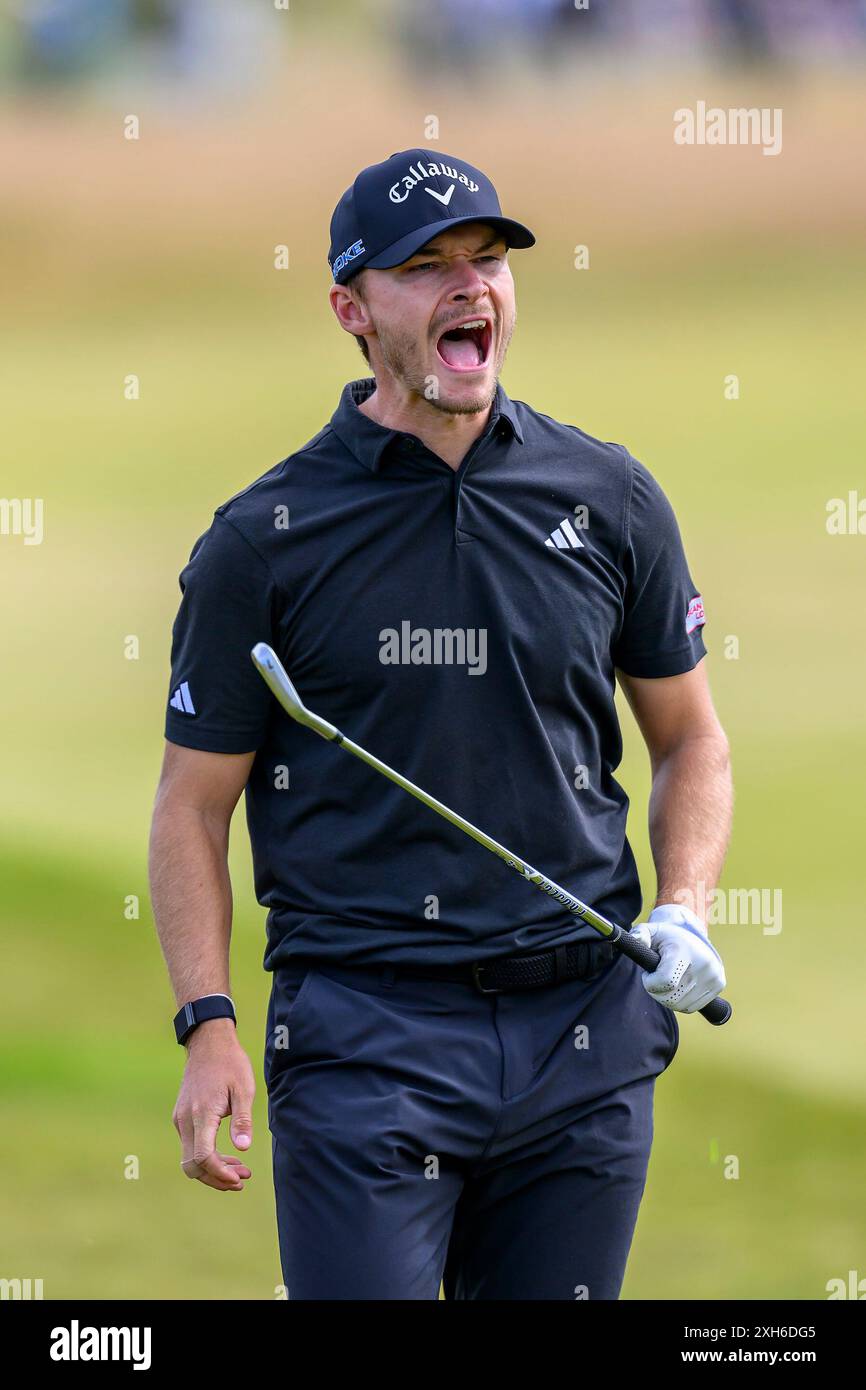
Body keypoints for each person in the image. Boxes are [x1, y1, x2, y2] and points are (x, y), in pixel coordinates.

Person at [149, 149, 732, 1300]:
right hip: (365, 1035)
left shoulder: (605, 495)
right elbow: (191, 804)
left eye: (488, 262)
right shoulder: (264, 539)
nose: (470, 288)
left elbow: (689, 739)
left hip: (584, 1034)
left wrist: (683, 904)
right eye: (425, 269)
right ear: (351, 311)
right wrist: (207, 1022)